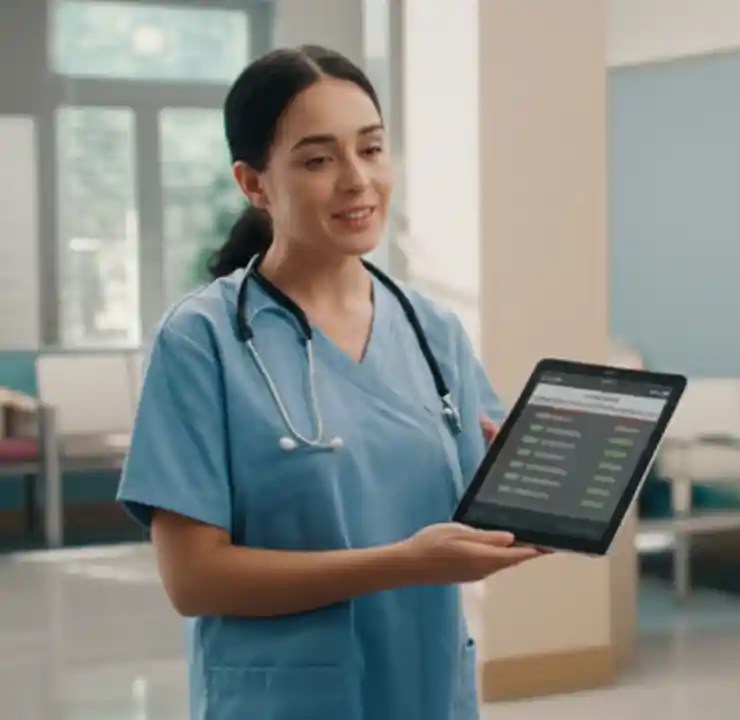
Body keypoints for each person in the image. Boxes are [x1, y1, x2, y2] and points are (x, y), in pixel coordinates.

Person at [117, 45, 541, 720]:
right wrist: (404, 563)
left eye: (370, 149)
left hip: (426, 689)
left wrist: (531, 495)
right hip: (286, 701)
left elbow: (466, 508)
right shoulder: (203, 340)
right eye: (318, 159)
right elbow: (193, 580)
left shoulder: (431, 328)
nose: (357, 180)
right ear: (254, 183)